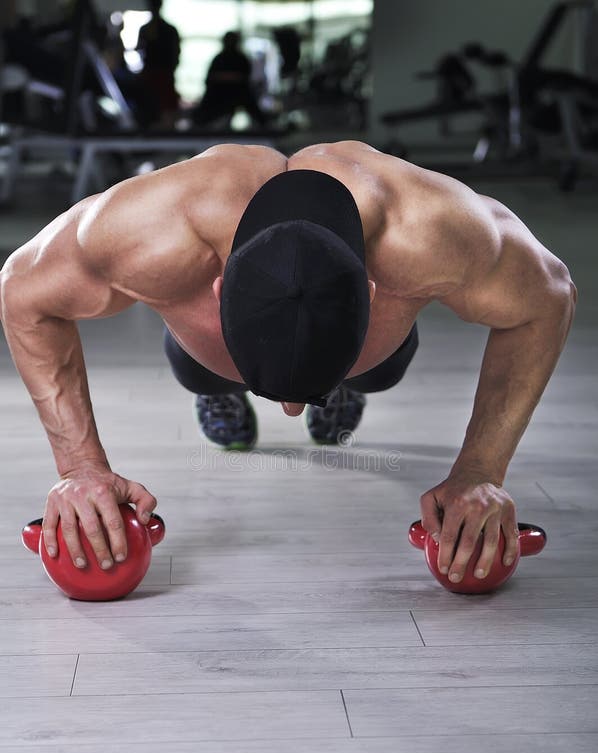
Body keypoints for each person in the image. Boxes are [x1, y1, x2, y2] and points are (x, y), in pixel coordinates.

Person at [0, 141, 576, 589]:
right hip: (211, 344)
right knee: (205, 368)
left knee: (377, 367)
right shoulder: (146, 234)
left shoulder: (431, 231)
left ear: (372, 291)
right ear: (219, 288)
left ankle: (350, 379)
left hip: (369, 339)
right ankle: (223, 381)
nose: (290, 410)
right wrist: (80, 468)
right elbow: (21, 292)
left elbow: (548, 297)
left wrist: (480, 471)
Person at [193, 31, 266, 127]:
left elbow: (245, 79)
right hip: (217, 96)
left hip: (238, 94)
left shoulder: (240, 59)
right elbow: (209, 79)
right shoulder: (219, 59)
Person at [136, 0, 180, 127]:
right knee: (150, 106)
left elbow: (175, 52)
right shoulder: (147, 30)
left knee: (164, 107)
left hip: (162, 73)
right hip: (154, 73)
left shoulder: (167, 30)